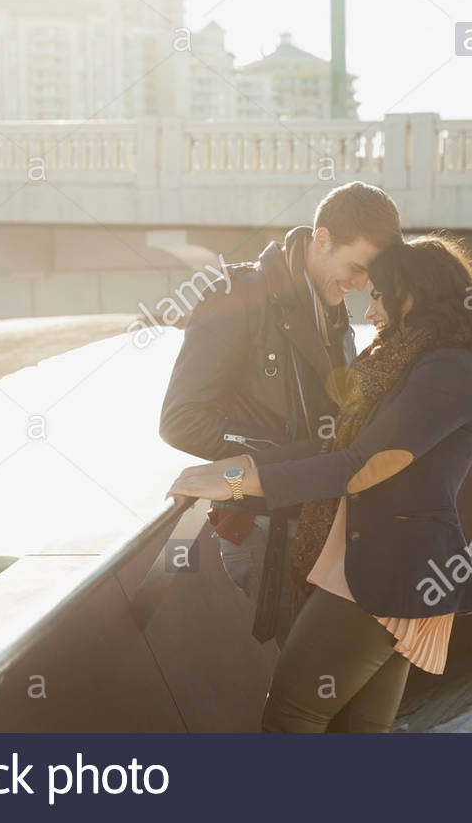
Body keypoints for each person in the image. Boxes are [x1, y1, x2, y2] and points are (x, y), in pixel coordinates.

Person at [168, 235, 472, 732]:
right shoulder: (417, 363)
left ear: (412, 293)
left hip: (389, 572)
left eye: (378, 295)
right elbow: (333, 447)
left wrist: (239, 485)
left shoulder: (448, 372)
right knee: (356, 730)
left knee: (291, 716)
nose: (368, 310)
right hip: (382, 568)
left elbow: (357, 464)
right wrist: (235, 468)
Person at [158, 180, 402, 645]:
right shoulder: (240, 294)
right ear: (323, 238)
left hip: (315, 524)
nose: (358, 286)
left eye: (366, 277)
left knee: (319, 679)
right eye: (355, 268)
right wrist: (281, 461)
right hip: (266, 531)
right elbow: (179, 419)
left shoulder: (330, 308)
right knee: (299, 689)